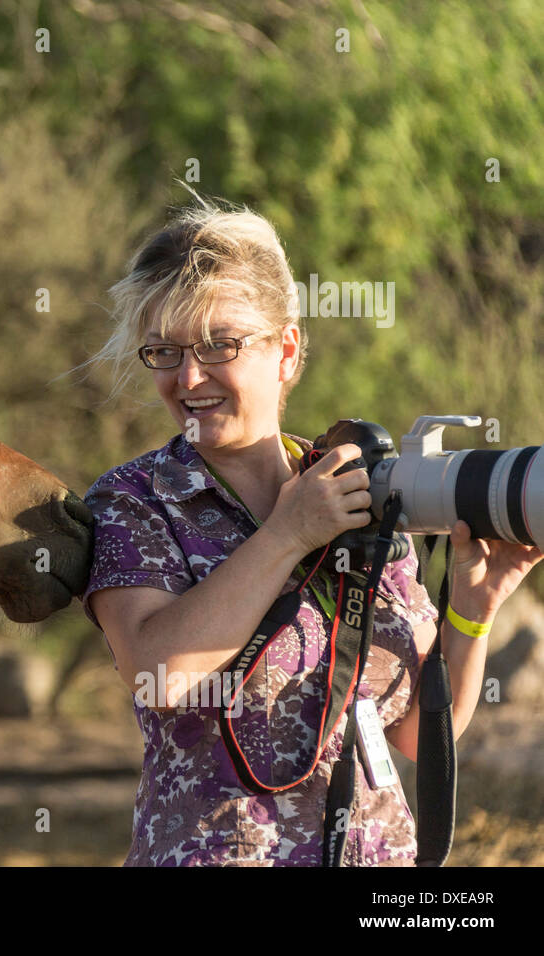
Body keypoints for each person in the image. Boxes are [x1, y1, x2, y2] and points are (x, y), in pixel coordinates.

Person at [79, 195, 542, 866]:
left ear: (287, 349)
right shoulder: (135, 499)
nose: (188, 377)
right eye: (165, 351)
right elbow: (159, 671)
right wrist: (288, 535)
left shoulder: (368, 491)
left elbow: (411, 735)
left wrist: (471, 611)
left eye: (219, 345)